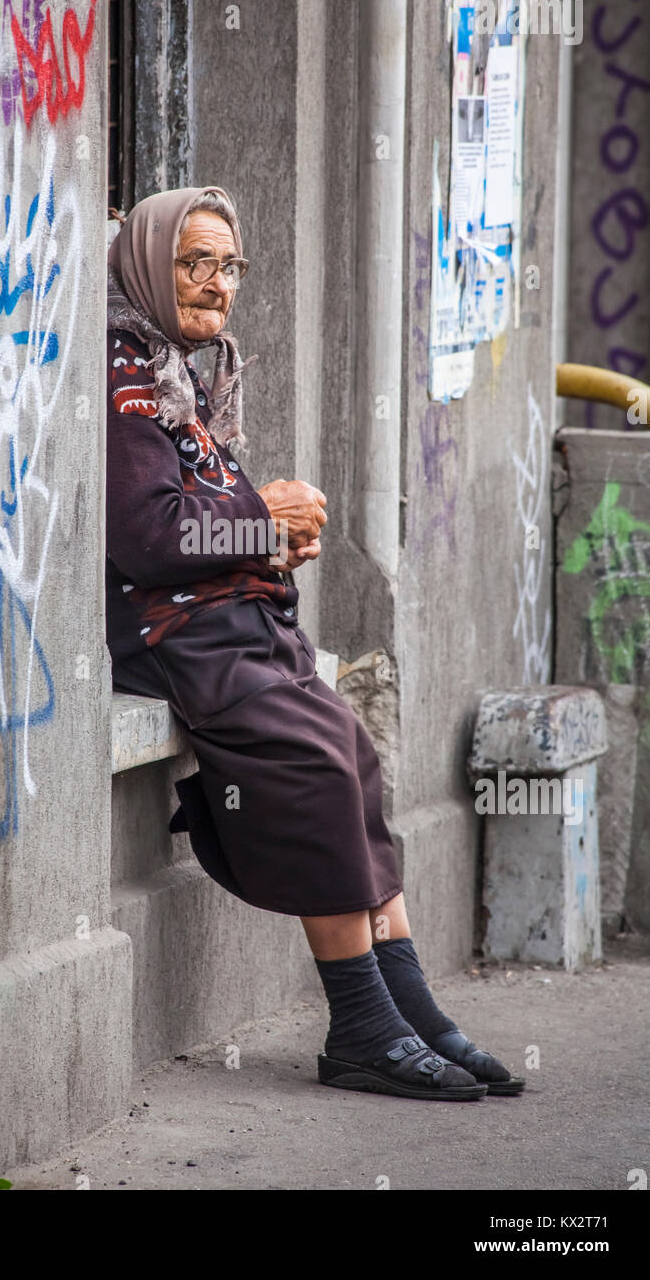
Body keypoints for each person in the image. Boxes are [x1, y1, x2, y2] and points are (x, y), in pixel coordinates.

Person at [105, 185, 524, 1102]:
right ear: (146, 263)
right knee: (314, 765)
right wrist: (262, 520)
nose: (216, 285)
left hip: (236, 623)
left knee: (352, 749)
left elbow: (202, 521)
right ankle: (363, 1026)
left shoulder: (189, 369)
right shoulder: (127, 373)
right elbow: (145, 535)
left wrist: (270, 535)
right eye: (194, 262)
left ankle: (406, 1002)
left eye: (229, 266)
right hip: (177, 634)